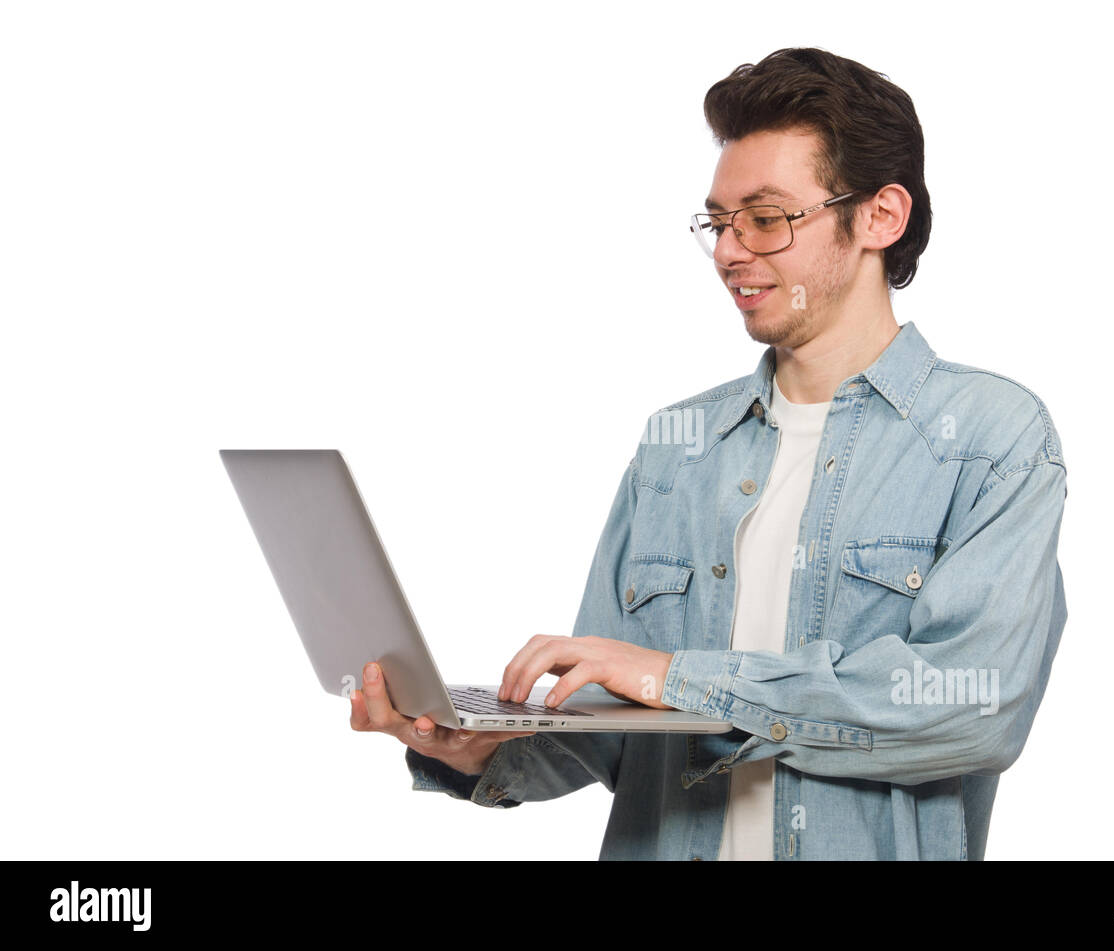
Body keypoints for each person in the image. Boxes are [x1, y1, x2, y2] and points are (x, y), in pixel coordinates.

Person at [349, 47, 1067, 861]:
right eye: (719, 222)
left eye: (766, 218)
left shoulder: (991, 439)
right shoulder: (676, 447)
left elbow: (973, 710)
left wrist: (676, 677)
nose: (730, 250)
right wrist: (480, 749)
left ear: (880, 216)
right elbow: (609, 732)